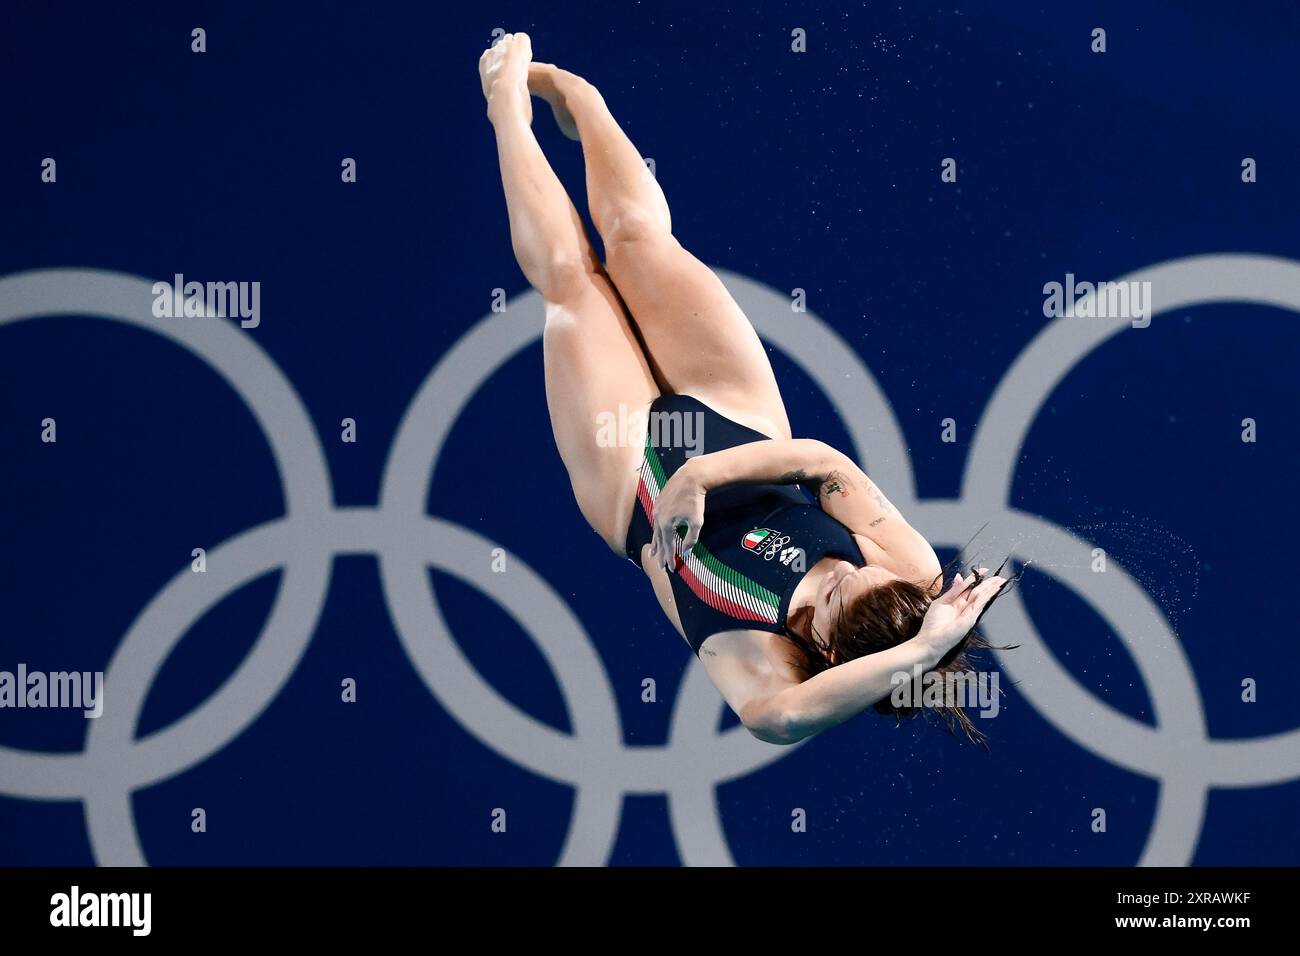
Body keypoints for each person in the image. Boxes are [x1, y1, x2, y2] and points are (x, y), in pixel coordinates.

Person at [481, 33, 1010, 746]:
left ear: (824, 654)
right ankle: (583, 101)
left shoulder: (771, 672)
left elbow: (782, 720)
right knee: (639, 239)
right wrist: (701, 471)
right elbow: (826, 465)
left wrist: (918, 657)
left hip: (630, 480)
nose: (838, 572)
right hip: (736, 419)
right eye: (850, 575)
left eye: (831, 595)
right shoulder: (907, 574)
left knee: (573, 283)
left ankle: (504, 109)